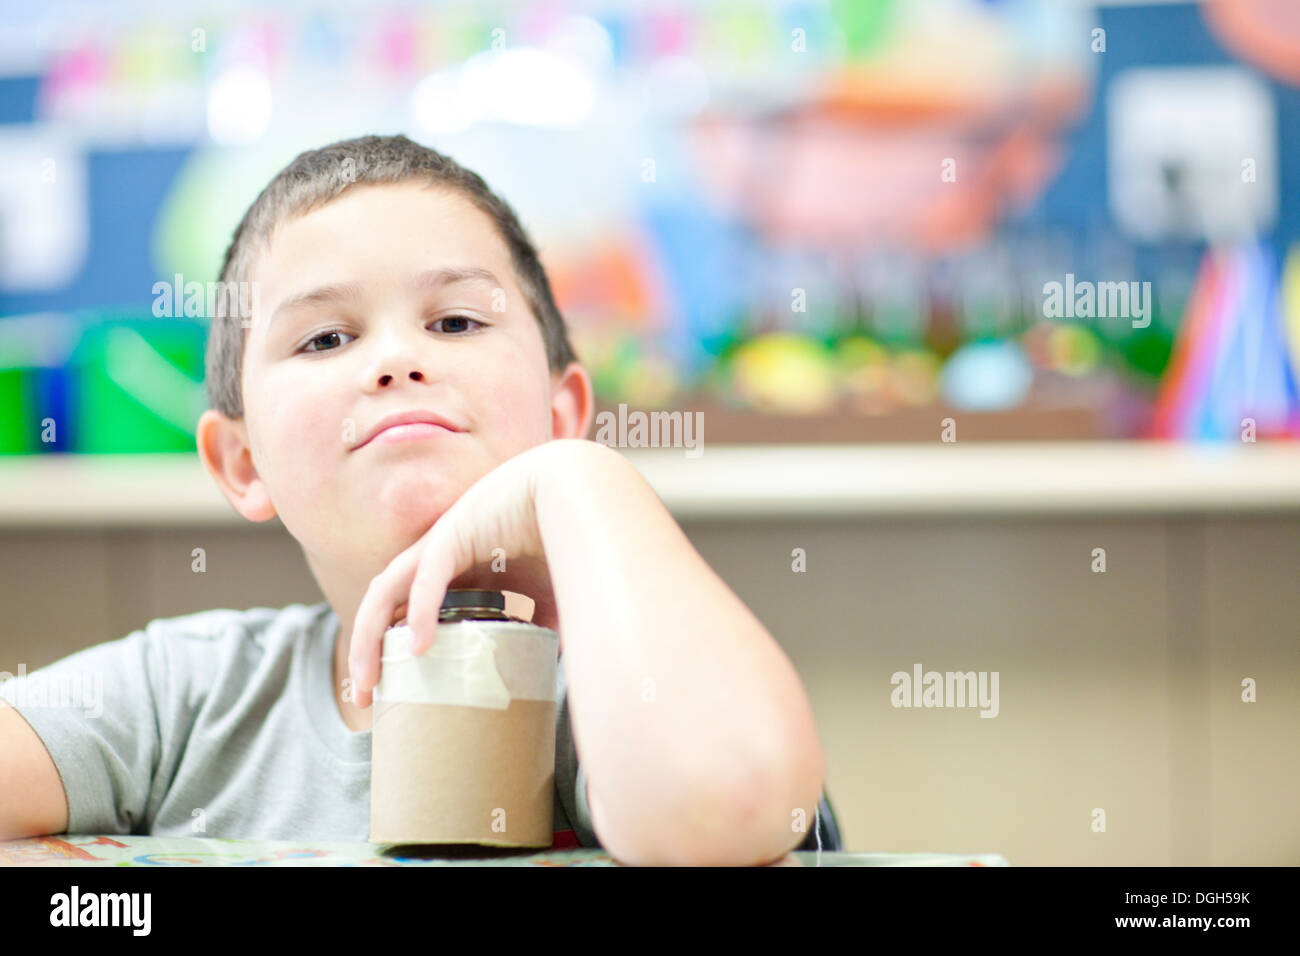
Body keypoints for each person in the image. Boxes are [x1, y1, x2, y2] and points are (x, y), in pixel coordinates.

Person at [0, 135, 825, 866]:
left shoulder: (628, 680)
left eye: (458, 322)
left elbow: (728, 806)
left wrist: (581, 480)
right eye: (326, 338)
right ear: (243, 462)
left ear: (564, 415)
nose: (396, 360)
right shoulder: (183, 697)